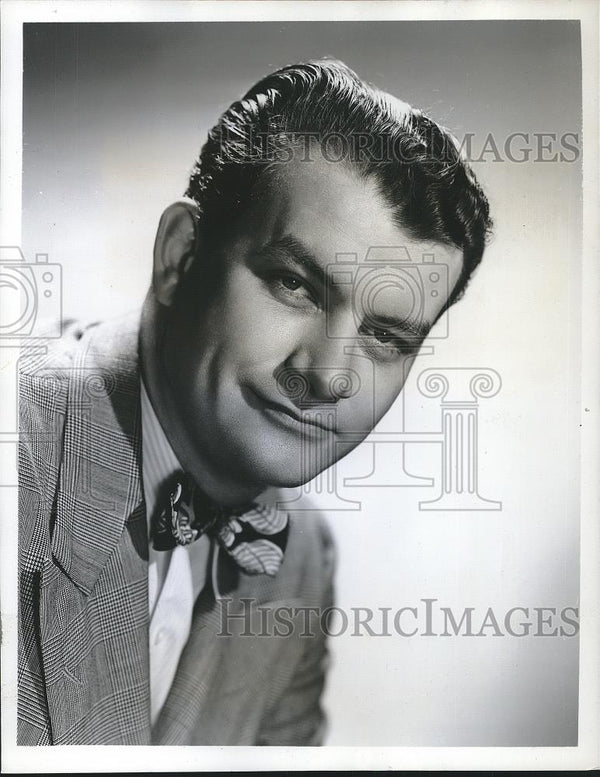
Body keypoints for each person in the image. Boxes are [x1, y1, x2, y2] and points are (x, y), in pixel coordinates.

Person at [17, 59, 492, 745]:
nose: (329, 376)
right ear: (180, 256)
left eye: (386, 335)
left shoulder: (299, 560)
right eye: (295, 284)